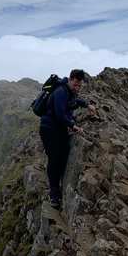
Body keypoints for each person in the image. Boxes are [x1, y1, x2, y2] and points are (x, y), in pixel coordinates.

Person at [39, 69, 96, 209]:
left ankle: (58, 186)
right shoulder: (60, 92)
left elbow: (75, 101)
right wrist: (73, 126)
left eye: (79, 85)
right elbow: (59, 114)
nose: (77, 87)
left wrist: (87, 104)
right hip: (49, 130)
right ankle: (54, 195)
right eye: (75, 84)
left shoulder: (69, 92)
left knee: (63, 156)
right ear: (70, 79)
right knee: (54, 160)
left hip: (59, 130)